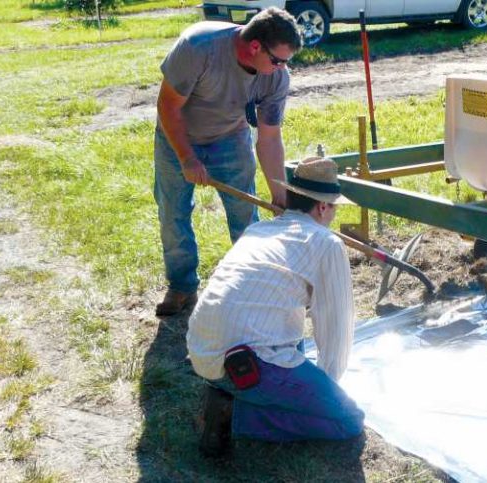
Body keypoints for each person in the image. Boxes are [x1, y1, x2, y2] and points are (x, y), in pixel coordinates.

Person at [186, 157, 365, 457]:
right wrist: (329, 388)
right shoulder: (326, 242)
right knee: (347, 420)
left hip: (203, 347)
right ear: (323, 207)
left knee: (290, 351)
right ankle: (233, 415)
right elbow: (335, 324)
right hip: (245, 361)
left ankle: (232, 392)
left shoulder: (259, 230)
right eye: (334, 207)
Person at [154, 8, 302, 316]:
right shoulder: (198, 48)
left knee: (245, 216)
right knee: (173, 214)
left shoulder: (276, 77)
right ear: (255, 46)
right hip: (178, 137)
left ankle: (251, 283)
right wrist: (187, 158)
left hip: (231, 139)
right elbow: (168, 107)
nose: (281, 69)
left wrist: (279, 193)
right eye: (277, 61)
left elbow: (270, 137)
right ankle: (182, 287)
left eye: (287, 63)